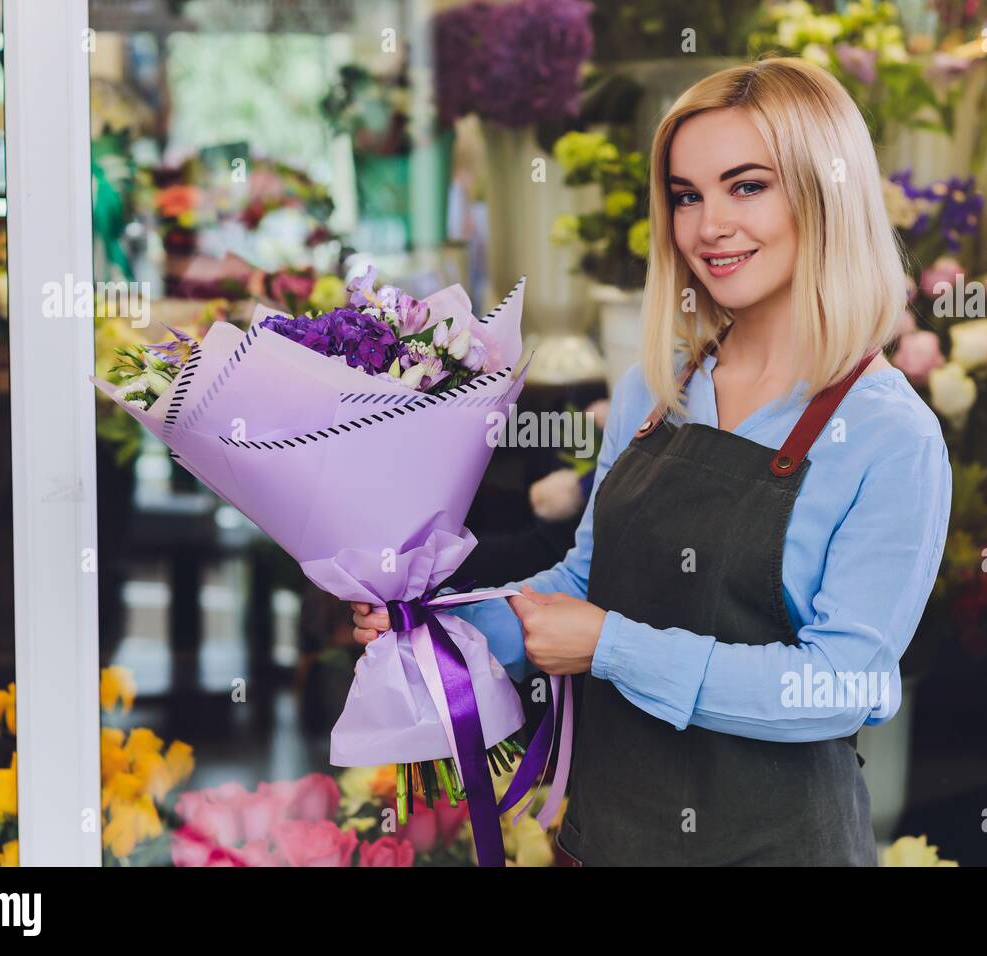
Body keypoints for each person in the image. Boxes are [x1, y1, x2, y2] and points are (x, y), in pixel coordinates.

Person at [352, 57, 953, 866]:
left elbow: (841, 684)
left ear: (824, 192)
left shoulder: (890, 436)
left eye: (747, 186)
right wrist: (441, 630)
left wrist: (612, 648)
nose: (709, 226)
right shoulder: (657, 389)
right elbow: (585, 581)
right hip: (608, 841)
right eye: (686, 195)